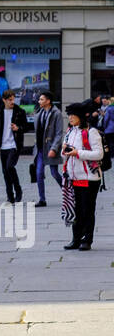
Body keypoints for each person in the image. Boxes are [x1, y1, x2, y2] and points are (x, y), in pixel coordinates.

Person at [62, 103, 104, 251]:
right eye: (69, 115)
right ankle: (76, 239)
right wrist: (65, 151)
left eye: (73, 115)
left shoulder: (91, 132)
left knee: (87, 210)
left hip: (89, 178)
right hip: (74, 177)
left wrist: (77, 153)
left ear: (80, 116)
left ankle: (87, 239)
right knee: (76, 210)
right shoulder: (70, 131)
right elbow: (68, 154)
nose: (70, 118)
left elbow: (99, 154)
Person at [0, 88, 30, 204]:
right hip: (3, 146)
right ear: (4, 100)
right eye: (9, 100)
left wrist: (18, 128)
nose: (12, 102)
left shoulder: (19, 111)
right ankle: (10, 196)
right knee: (5, 172)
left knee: (9, 167)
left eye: (13, 99)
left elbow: (27, 127)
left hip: (14, 145)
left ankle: (18, 189)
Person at [32, 91, 63, 208]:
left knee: (54, 173)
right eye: (39, 99)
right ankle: (42, 199)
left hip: (50, 148)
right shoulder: (39, 112)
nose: (39, 101)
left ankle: (69, 193)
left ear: (48, 101)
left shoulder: (56, 113)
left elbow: (59, 133)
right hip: (40, 148)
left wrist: (54, 148)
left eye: (41, 99)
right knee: (39, 173)